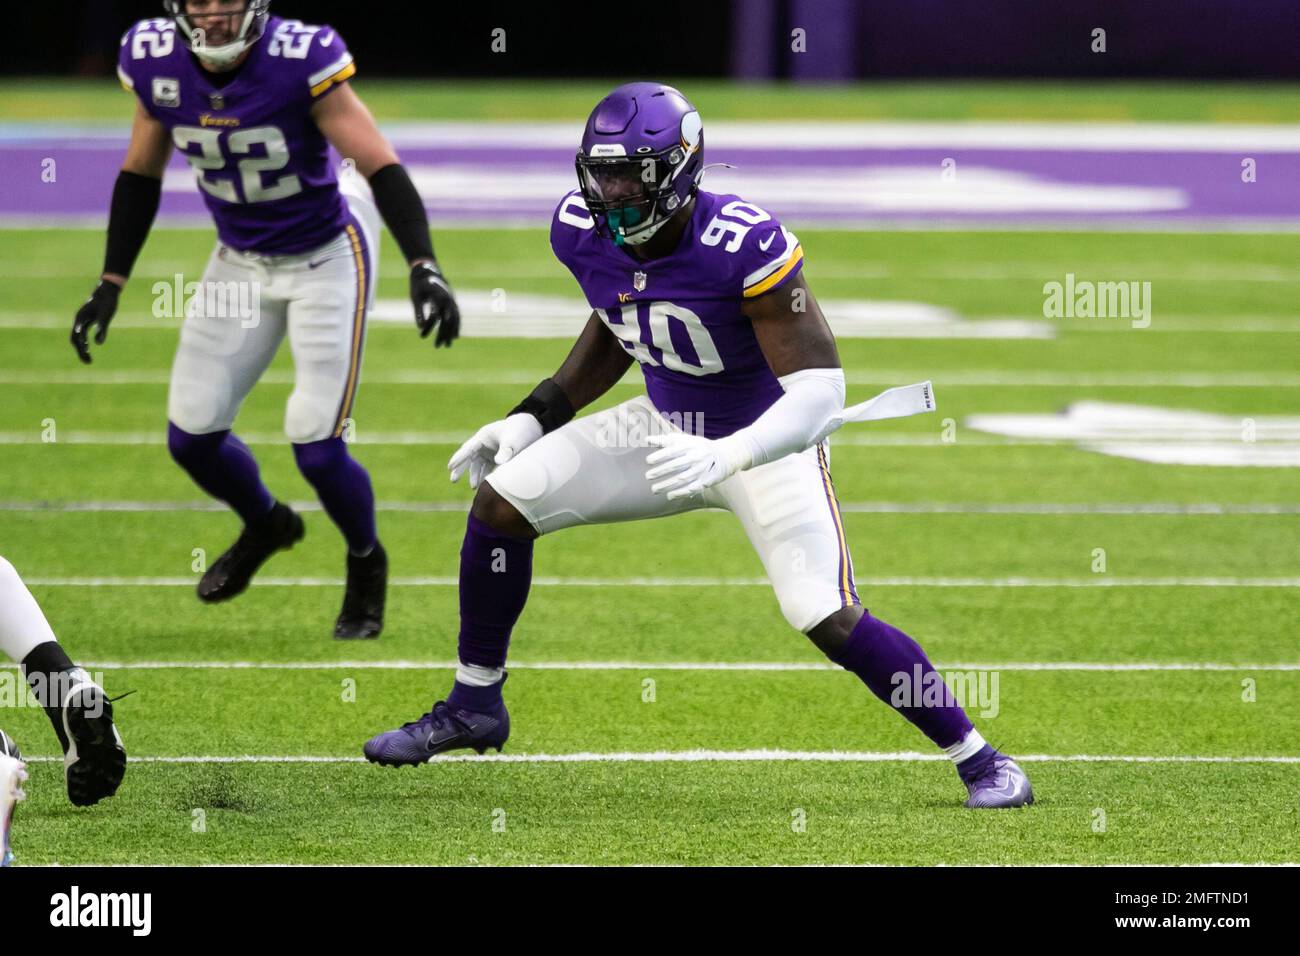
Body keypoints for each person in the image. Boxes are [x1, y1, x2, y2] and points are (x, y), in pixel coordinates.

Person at [362, 83, 1032, 809]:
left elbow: (818, 394)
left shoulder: (742, 243)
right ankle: (475, 705)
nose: (612, 190)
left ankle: (983, 759)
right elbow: (619, 322)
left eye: (633, 174)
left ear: (680, 171)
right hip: (663, 429)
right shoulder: (579, 228)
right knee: (501, 505)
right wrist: (533, 415)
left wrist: (736, 453)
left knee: (822, 611)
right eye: (602, 172)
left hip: (766, 442)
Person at [71, 1, 461, 638]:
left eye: (225, 5)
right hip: (240, 261)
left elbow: (378, 161)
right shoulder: (154, 59)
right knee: (190, 436)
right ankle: (267, 522)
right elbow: (140, 171)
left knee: (315, 444)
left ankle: (366, 560)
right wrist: (110, 282)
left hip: (327, 253)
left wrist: (424, 263)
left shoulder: (298, 58)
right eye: (200, 6)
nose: (213, 19)